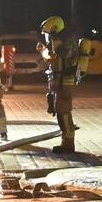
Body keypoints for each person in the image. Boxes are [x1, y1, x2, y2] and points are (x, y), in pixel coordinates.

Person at [38, 16, 80, 154]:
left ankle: (69, 144)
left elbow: (65, 54)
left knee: (64, 111)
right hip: (57, 80)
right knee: (60, 111)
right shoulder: (58, 41)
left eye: (49, 33)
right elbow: (52, 58)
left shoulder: (68, 41)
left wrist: (57, 44)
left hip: (65, 80)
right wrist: (43, 50)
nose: (47, 37)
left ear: (55, 29)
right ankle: (65, 142)